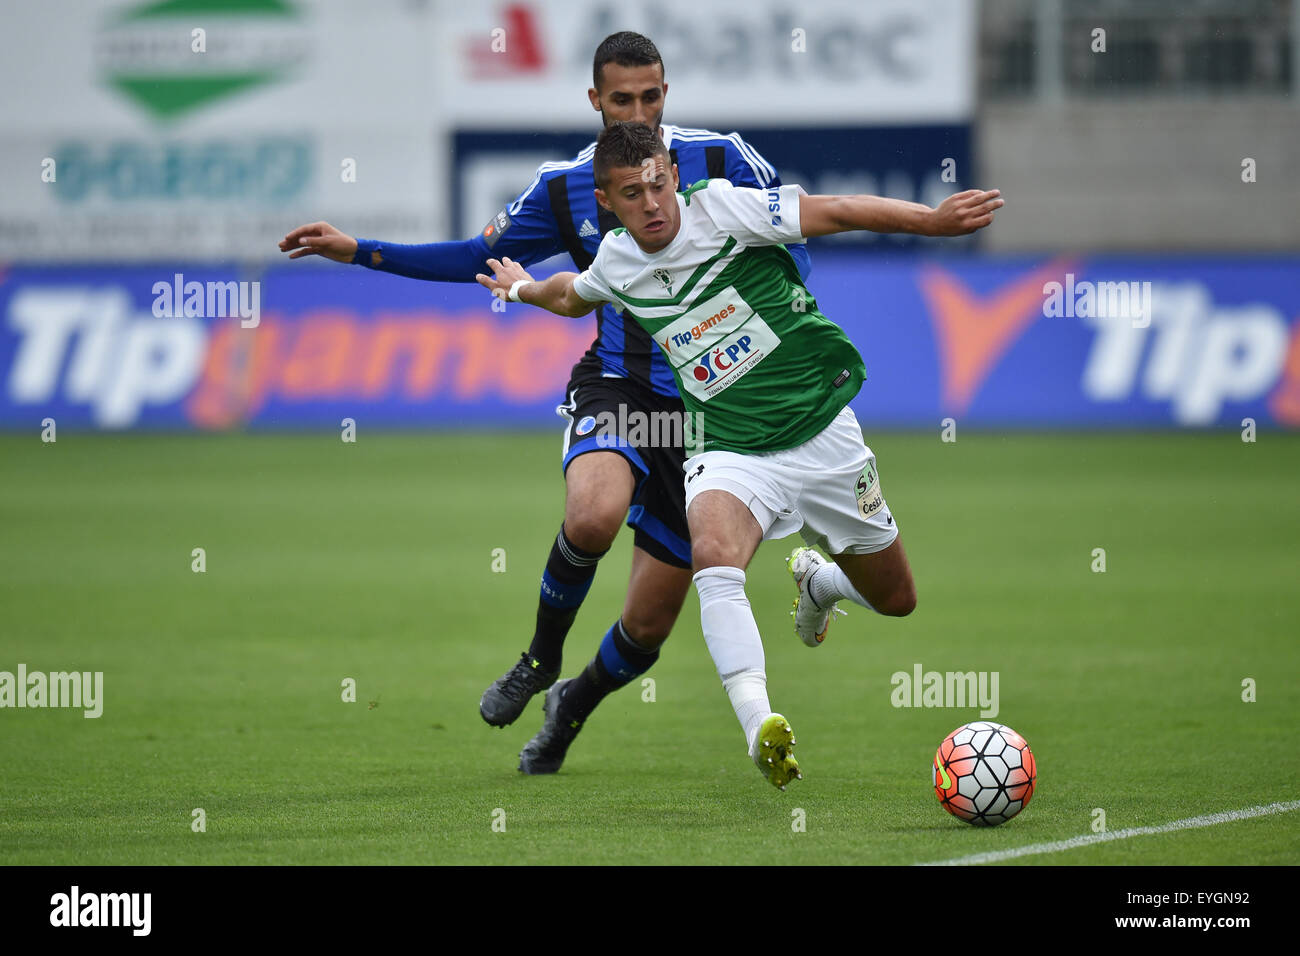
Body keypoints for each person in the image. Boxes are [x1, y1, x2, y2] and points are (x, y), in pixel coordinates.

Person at [279, 33, 812, 773]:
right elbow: (477, 257)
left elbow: (791, 242)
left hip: (708, 414)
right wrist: (360, 249)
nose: (640, 111)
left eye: (651, 96)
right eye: (622, 98)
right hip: (621, 388)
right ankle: (537, 659)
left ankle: (571, 706)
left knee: (646, 627)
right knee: (591, 514)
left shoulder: (722, 159)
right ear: (595, 101)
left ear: (666, 93)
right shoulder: (568, 187)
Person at [476, 121, 1002, 789]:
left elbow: (834, 211)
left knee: (896, 599)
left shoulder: (724, 207)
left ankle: (822, 584)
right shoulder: (616, 260)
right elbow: (569, 296)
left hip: (822, 436)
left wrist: (932, 221)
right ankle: (761, 727)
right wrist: (519, 288)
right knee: (715, 560)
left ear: (673, 173)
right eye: (632, 194)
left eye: (659, 184)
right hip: (725, 446)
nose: (653, 203)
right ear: (608, 202)